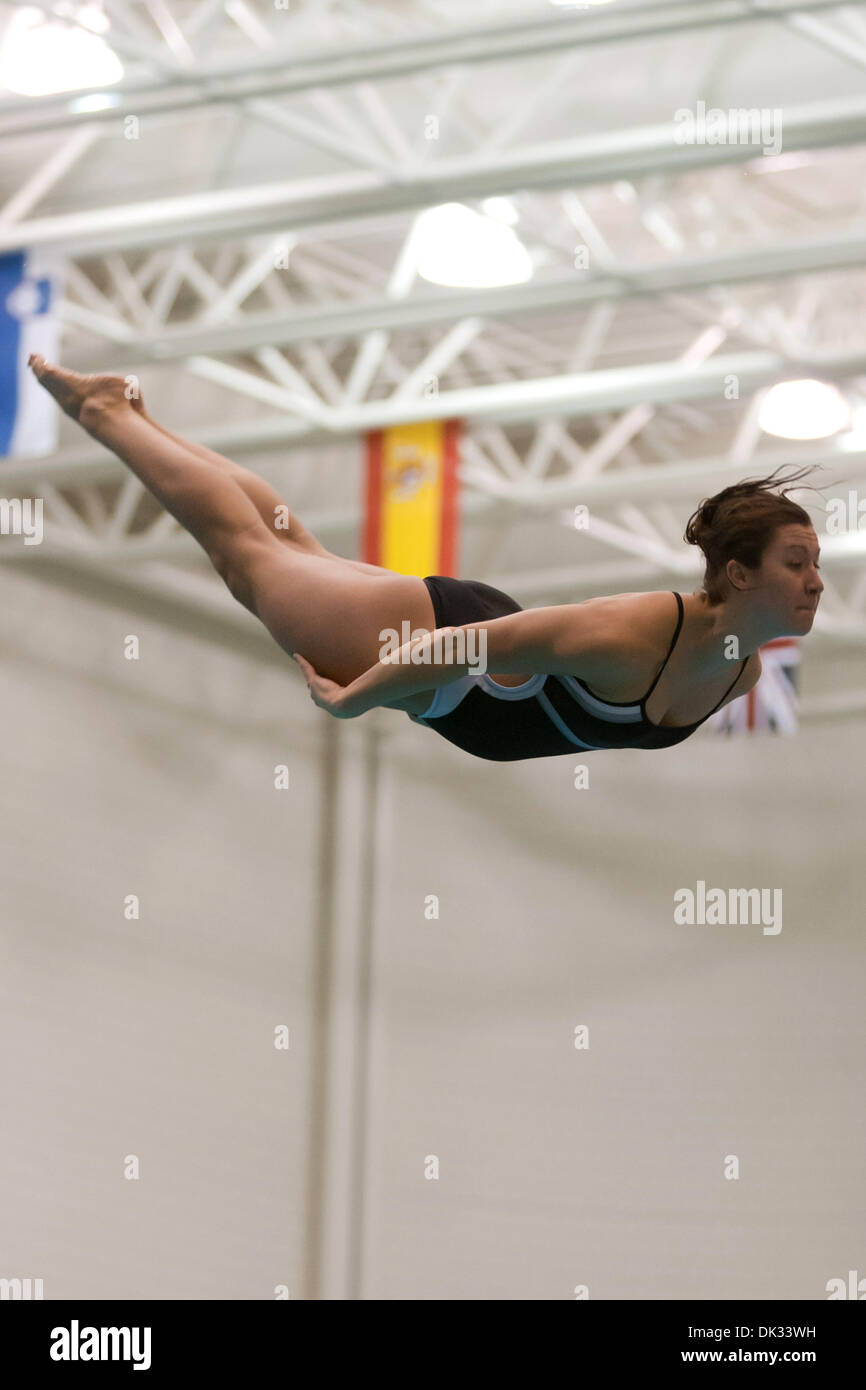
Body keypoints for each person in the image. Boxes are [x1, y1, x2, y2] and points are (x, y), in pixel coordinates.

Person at [28, 356, 822, 761]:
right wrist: (357, 700)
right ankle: (108, 414)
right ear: (738, 573)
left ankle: (134, 410)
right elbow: (463, 647)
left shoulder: (741, 672)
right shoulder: (634, 633)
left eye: (816, 565)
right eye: (797, 563)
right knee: (247, 557)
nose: (816, 583)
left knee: (285, 542)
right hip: (433, 649)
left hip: (464, 648)